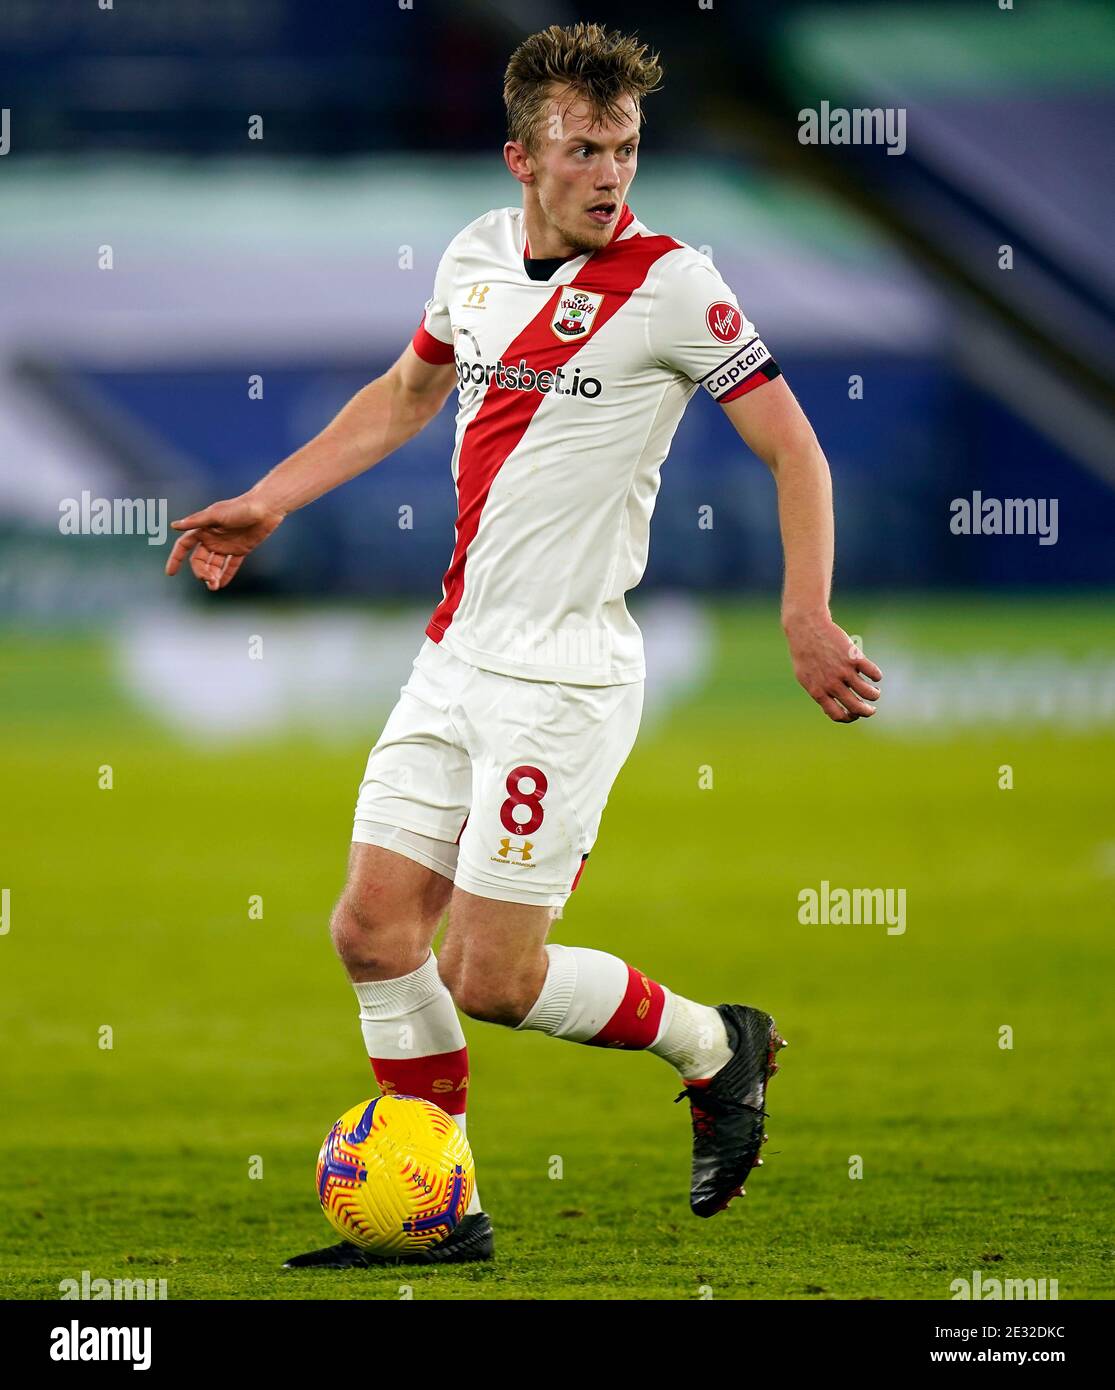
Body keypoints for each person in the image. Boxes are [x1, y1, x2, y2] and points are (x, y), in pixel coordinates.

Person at [165, 22, 882, 1268]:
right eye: (585, 149)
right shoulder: (473, 261)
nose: (611, 174)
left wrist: (804, 610)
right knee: (370, 931)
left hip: (565, 677)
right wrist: (270, 498)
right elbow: (402, 393)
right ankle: (438, 1211)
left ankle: (717, 1044)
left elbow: (795, 448)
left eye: (626, 148)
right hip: (453, 658)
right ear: (520, 158)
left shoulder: (674, 284)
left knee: (492, 975)